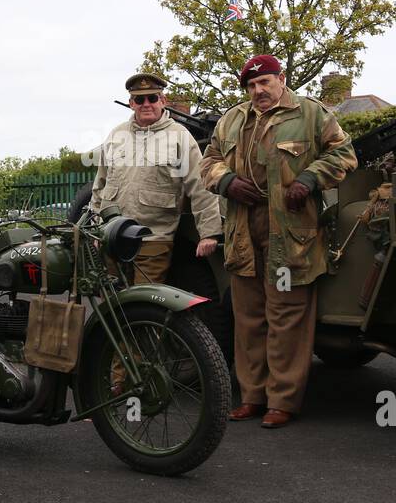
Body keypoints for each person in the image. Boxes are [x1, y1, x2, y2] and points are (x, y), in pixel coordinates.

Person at [200, 54, 359, 429]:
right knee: (248, 318)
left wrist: (309, 179)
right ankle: (252, 396)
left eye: (265, 83)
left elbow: (344, 154)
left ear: (280, 80)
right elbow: (208, 161)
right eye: (252, 85)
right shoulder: (232, 119)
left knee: (285, 317)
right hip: (243, 234)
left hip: (290, 236)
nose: (259, 91)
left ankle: (282, 400)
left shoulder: (310, 114)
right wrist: (226, 181)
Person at [89, 72, 221, 284]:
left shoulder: (179, 137)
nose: (146, 104)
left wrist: (209, 233)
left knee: (146, 304)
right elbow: (100, 186)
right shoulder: (116, 135)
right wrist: (95, 229)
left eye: (152, 98)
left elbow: (200, 186)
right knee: (113, 305)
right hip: (111, 236)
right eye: (140, 99)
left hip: (153, 239)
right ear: (131, 103)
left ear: (163, 101)